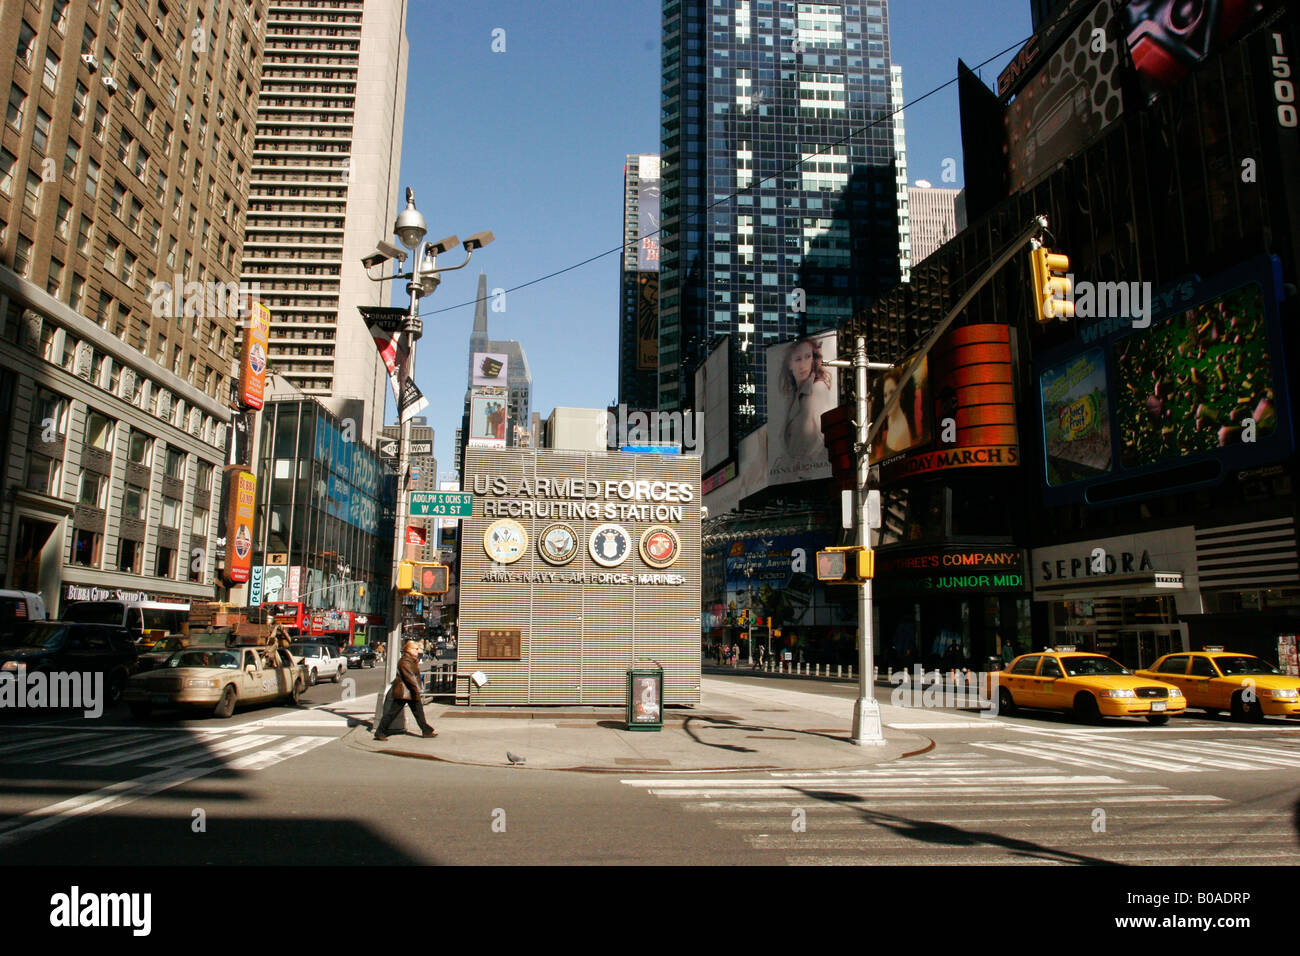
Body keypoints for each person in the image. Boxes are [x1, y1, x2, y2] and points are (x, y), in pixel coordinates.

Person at [775, 337, 835, 465]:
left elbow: (824, 432)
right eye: (798, 359)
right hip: (793, 472)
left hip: (812, 469)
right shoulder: (790, 396)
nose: (803, 364)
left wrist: (808, 463)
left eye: (808, 357)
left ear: (813, 359)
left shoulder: (817, 388)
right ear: (789, 364)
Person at [374, 640, 437, 741]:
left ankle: (426, 731)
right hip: (404, 692)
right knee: (392, 713)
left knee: (418, 712)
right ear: (409, 649)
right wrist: (418, 689)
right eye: (416, 649)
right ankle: (380, 731)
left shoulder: (411, 660)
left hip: (410, 691)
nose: (418, 651)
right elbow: (410, 677)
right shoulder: (405, 661)